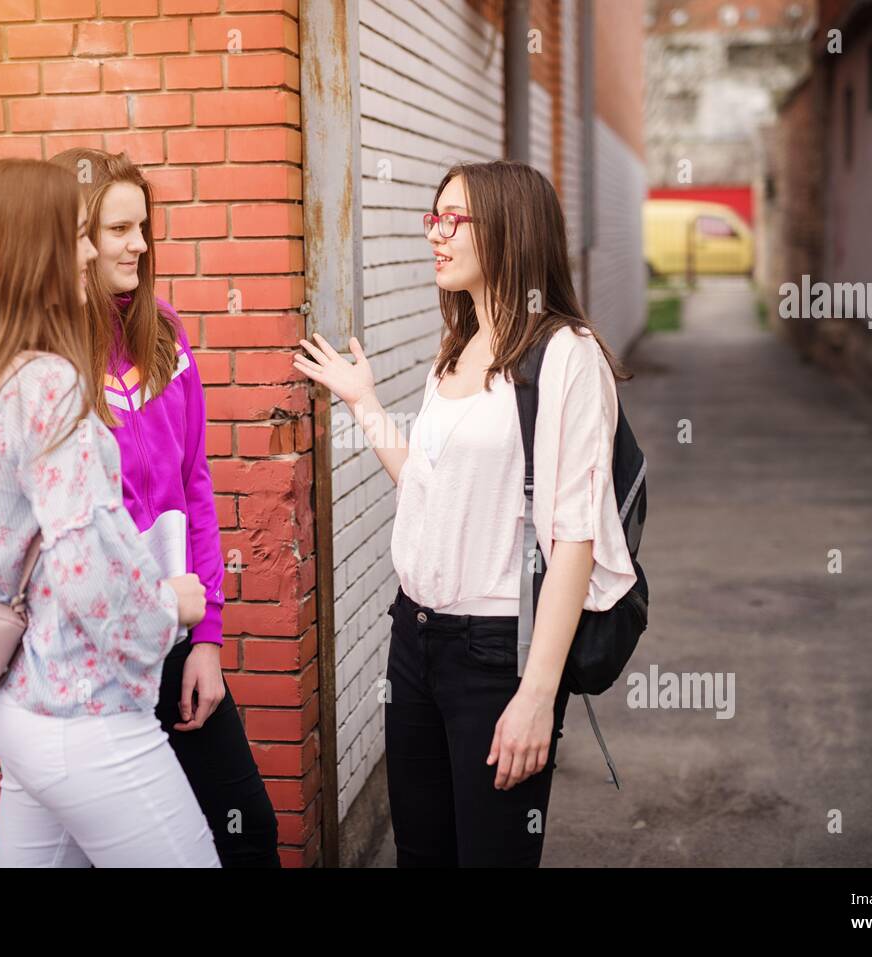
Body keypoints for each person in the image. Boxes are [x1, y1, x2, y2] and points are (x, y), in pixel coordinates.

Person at [293, 160, 637, 867]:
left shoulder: (566, 357)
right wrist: (364, 403)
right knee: (423, 852)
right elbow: (426, 482)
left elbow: (575, 535)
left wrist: (538, 693)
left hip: (496, 653)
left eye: (454, 220)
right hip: (413, 638)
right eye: (433, 217)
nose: (435, 235)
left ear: (511, 229)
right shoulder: (459, 347)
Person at [0, 158, 220, 867]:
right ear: (37, 250)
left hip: (10, 700)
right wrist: (171, 605)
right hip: (83, 712)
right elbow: (92, 577)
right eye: (76, 235)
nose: (90, 250)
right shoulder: (50, 383)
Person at [49, 148, 281, 868]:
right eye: (118, 229)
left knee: (248, 830)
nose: (140, 245)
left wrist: (207, 636)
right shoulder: (49, 360)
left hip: (177, 642)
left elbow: (194, 486)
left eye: (142, 227)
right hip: (94, 666)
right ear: (76, 239)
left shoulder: (165, 334)